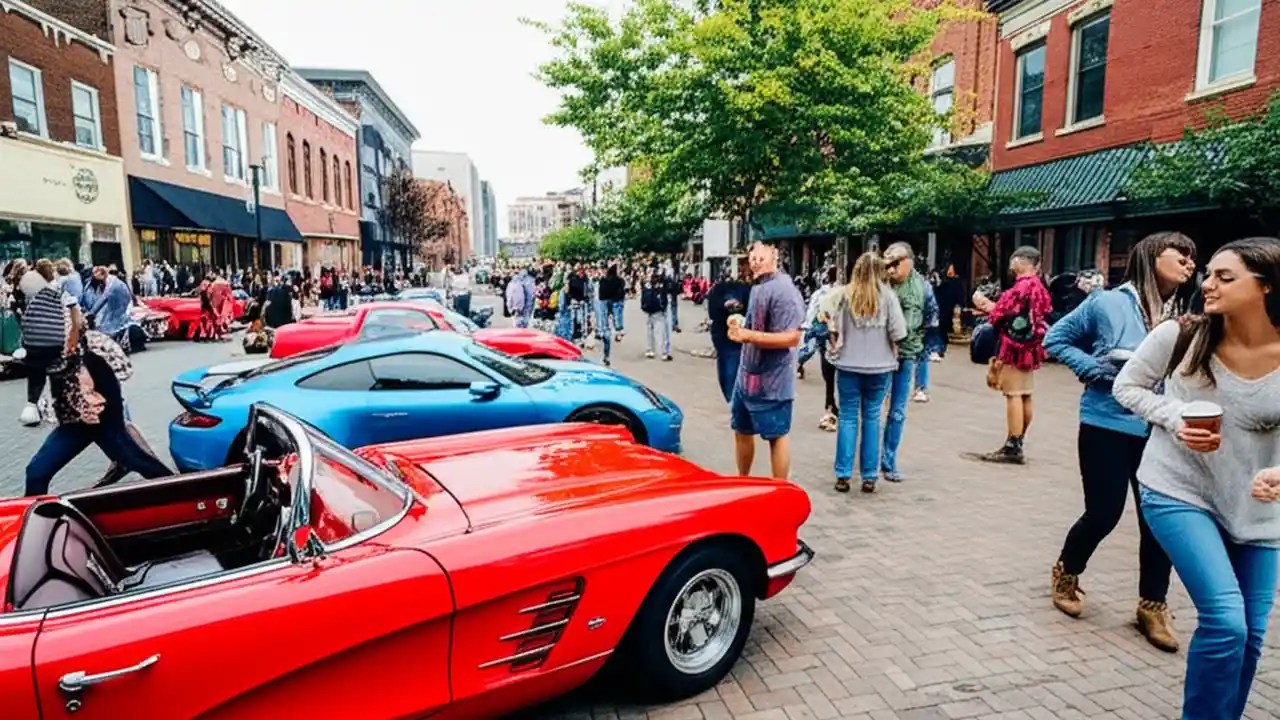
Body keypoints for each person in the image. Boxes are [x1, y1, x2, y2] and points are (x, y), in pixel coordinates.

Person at [1113, 237, 1280, 720]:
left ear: (1267, 288)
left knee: (1249, 635)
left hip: (1258, 507)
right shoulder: (1181, 334)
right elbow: (1127, 386)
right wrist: (1174, 415)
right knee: (1227, 623)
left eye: (1225, 277)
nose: (1206, 283)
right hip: (1177, 489)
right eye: (1208, 273)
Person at [1044, 231, 1198, 653]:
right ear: (1150, 255)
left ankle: (1152, 605)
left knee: (1158, 521)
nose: (1189, 262)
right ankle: (1066, 572)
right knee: (1104, 512)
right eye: (1180, 253)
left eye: (1192, 257)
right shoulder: (1108, 302)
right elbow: (1055, 339)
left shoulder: (1185, 313)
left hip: (1160, 429)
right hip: (1106, 424)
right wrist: (1094, 369)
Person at [822, 252, 906, 493]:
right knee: (872, 417)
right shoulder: (888, 297)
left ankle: (843, 474)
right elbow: (898, 332)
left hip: (848, 364)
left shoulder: (845, 295)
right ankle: (869, 476)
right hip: (880, 367)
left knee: (848, 417)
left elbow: (831, 323)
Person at [729, 241, 806, 479]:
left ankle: (780, 489)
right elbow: (756, 325)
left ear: (774, 258)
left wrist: (749, 335)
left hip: (773, 382)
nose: (755, 263)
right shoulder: (759, 287)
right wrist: (740, 323)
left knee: (777, 435)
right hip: (747, 378)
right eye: (752, 258)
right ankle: (743, 480)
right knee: (741, 429)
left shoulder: (784, 290)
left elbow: (792, 337)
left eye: (760, 258)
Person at [969, 246, 1053, 463]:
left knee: (1013, 394)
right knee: (1025, 393)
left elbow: (1001, 314)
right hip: (1031, 347)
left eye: (1014, 259)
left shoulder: (1021, 288)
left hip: (1014, 348)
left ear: (1019, 262)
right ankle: (1019, 439)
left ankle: (1013, 444)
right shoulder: (1039, 288)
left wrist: (987, 305)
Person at [880, 243, 931, 481]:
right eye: (887, 262)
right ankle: (871, 456)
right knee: (872, 409)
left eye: (895, 263)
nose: (890, 268)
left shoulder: (922, 287)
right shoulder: (880, 282)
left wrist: (924, 348)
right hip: (879, 354)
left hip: (907, 354)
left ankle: (888, 460)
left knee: (897, 411)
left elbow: (930, 318)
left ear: (908, 261)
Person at [706, 266, 752, 402]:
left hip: (742, 338)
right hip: (725, 338)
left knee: (731, 373)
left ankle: (735, 403)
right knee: (728, 372)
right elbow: (713, 312)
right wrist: (726, 305)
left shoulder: (748, 289)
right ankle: (734, 402)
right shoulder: (718, 290)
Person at [640, 270, 672, 361]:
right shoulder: (661, 287)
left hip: (649, 311)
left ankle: (650, 350)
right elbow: (665, 297)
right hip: (658, 312)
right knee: (661, 333)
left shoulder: (647, 287)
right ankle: (664, 353)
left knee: (650, 332)